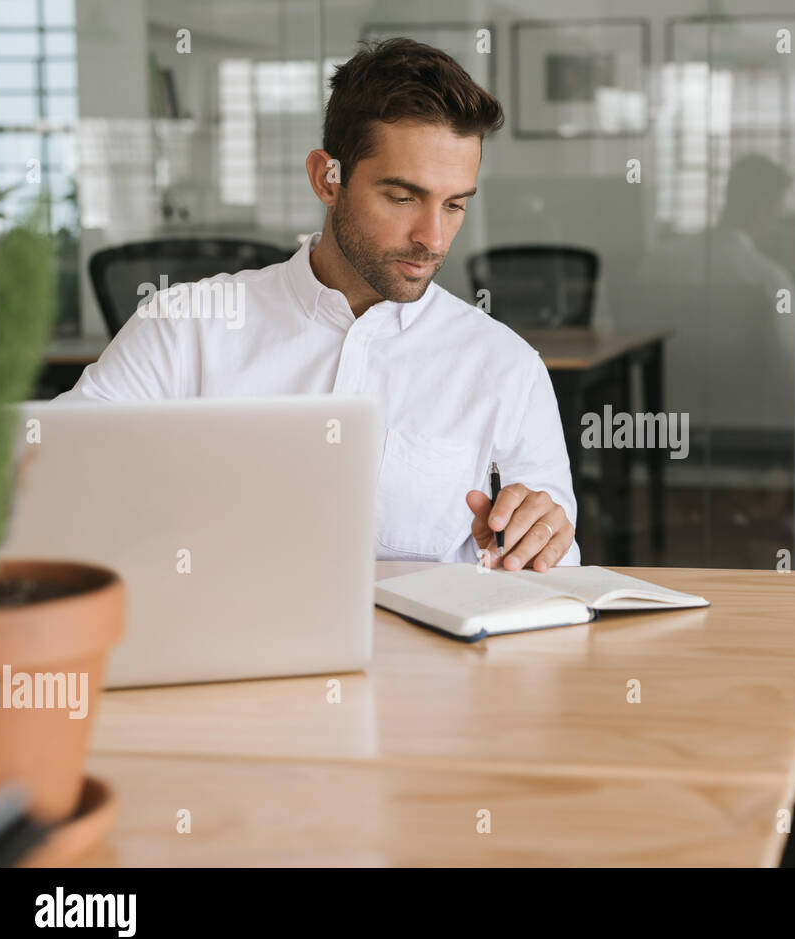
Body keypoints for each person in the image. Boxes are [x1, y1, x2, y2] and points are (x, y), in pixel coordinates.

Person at [55, 38, 578, 572]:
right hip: (214, 642)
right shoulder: (186, 327)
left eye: (454, 205)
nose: (434, 238)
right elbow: (51, 475)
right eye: (402, 198)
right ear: (325, 179)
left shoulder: (505, 366)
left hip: (426, 655)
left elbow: (554, 566)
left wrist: (539, 541)